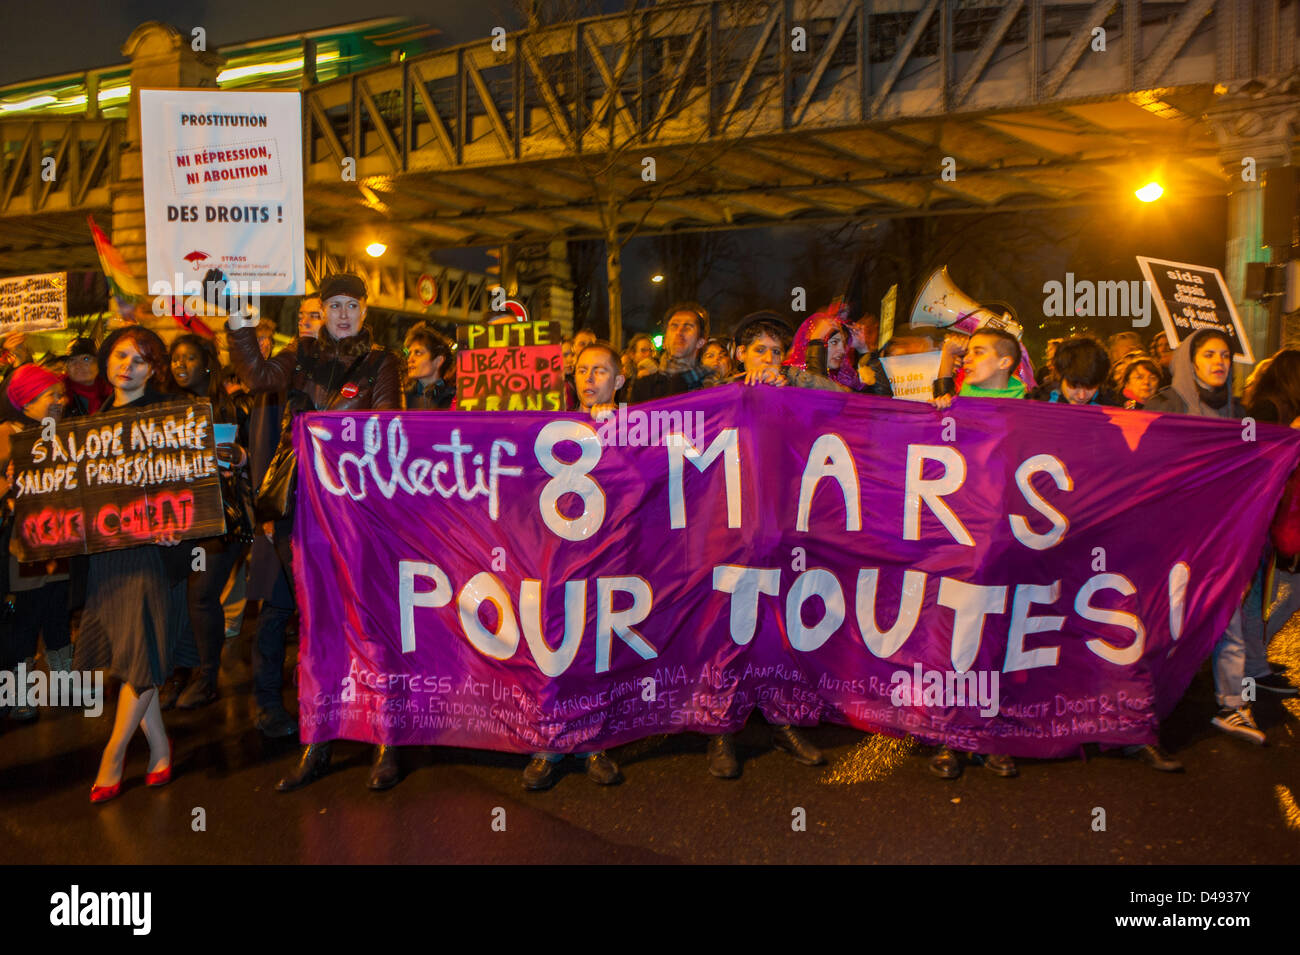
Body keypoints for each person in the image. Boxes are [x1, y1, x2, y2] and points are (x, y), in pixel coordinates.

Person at [227, 272, 405, 792]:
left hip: (355, 508)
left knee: (368, 622)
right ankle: (318, 739)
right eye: (335, 306)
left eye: (353, 304)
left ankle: (386, 741)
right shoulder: (299, 354)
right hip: (300, 507)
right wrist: (238, 317)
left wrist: (332, 438)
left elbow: (386, 422)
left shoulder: (381, 362)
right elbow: (258, 377)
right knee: (315, 627)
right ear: (322, 312)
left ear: (365, 312)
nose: (344, 314)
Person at [72, 327, 184, 802]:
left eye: (140, 360)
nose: (128, 366)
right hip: (108, 555)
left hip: (154, 552)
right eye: (121, 356)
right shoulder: (90, 421)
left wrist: (180, 518)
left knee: (139, 649)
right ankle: (159, 742)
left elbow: (188, 480)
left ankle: (113, 754)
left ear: (152, 369)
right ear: (106, 361)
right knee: (134, 654)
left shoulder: (169, 414)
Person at [1146, 330, 1269, 743]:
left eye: (1225, 355)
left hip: (1224, 534)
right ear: (1191, 360)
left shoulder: (1241, 413)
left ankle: (1231, 705)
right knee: (1167, 618)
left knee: (1227, 616)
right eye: (1209, 354)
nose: (1219, 362)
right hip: (1174, 535)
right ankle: (1146, 702)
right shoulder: (1165, 404)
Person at [520, 342, 627, 791]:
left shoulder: (638, 426)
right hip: (555, 552)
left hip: (608, 553)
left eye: (599, 371)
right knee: (553, 641)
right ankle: (549, 743)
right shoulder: (551, 422)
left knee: (596, 643)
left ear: (619, 380)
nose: (589, 378)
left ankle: (592, 742)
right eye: (582, 370)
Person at [928, 327, 1027, 779]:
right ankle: (949, 736)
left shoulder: (1027, 410)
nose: (971, 358)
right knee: (954, 637)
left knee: (997, 640)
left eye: (980, 352)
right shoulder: (952, 403)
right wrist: (939, 405)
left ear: (1006, 362)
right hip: (958, 538)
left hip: (1007, 540)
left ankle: (989, 734)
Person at [159, 333, 249, 710]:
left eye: (189, 358)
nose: (180, 365)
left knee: (201, 595)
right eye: (175, 359)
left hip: (218, 520)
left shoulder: (229, 407)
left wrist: (238, 456)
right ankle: (180, 670)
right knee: (181, 596)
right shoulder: (161, 409)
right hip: (176, 520)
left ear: (207, 363)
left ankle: (207, 676)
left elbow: (252, 458)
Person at [0, 364, 74, 722]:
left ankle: (67, 688)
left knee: (58, 616)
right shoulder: (7, 433)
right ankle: (19, 696)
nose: (60, 401)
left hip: (59, 542)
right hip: (22, 547)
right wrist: (9, 485)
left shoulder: (62, 432)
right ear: (26, 401)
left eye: (61, 394)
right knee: (25, 622)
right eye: (51, 395)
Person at [627, 303, 714, 403]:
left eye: (688, 326)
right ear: (665, 342)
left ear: (700, 342)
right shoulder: (642, 387)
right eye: (674, 326)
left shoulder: (711, 387)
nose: (679, 332)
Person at [1027, 336, 1121, 405]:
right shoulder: (1037, 403)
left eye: (1090, 387)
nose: (1081, 396)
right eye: (1074, 386)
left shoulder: (1113, 408)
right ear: (1060, 374)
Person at [785, 309, 862, 390]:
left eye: (844, 343)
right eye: (834, 342)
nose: (843, 351)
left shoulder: (838, 380)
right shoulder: (789, 379)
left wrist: (863, 350)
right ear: (808, 344)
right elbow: (817, 393)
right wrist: (816, 341)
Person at [404, 324, 456, 409]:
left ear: (438, 361)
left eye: (418, 353)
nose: (410, 359)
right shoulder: (403, 399)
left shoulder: (454, 400)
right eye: (409, 354)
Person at [62, 337, 111, 416]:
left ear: (98, 363)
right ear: (66, 367)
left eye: (86, 359)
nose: (78, 365)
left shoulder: (114, 390)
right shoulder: (60, 396)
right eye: (72, 360)